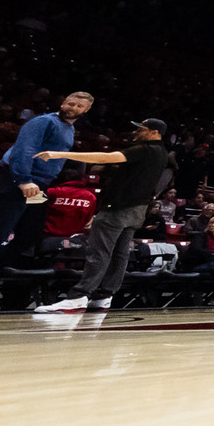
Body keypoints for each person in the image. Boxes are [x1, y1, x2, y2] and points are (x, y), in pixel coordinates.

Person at [0, 91, 92, 313]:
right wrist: (23, 179)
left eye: (78, 106)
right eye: (70, 103)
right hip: (17, 181)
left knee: (29, 238)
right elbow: (24, 150)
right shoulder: (43, 121)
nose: (72, 108)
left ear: (85, 110)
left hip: (38, 185)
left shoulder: (69, 129)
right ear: (63, 102)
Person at [33, 118, 177, 313]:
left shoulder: (145, 149)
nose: (136, 132)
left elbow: (105, 158)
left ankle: (79, 296)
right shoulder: (162, 153)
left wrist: (59, 154)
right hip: (138, 210)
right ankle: (104, 296)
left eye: (141, 129)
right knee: (120, 254)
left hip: (118, 208)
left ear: (154, 132)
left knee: (99, 252)